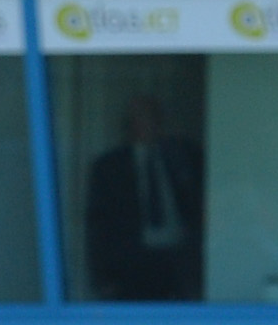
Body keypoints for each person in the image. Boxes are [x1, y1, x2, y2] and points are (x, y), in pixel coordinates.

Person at [83, 96, 203, 303]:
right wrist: (102, 278)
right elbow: (98, 225)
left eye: (153, 117)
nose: (148, 123)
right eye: (141, 117)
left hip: (178, 262)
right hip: (131, 266)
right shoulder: (109, 166)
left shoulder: (184, 156)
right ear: (128, 123)